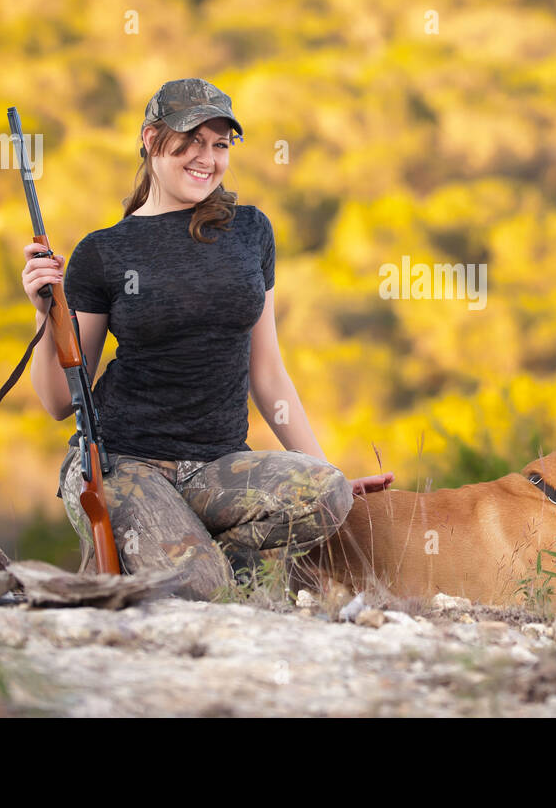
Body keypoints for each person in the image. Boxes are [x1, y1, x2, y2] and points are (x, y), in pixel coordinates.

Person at [21, 77, 394, 599]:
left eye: (219, 144)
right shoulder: (104, 251)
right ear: (152, 141)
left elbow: (267, 373)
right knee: (203, 588)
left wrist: (322, 468)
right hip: (125, 463)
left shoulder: (250, 232)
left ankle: (189, 554)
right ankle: (182, 563)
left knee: (329, 495)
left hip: (219, 467)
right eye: (191, 142)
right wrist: (45, 315)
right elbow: (60, 400)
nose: (208, 158)